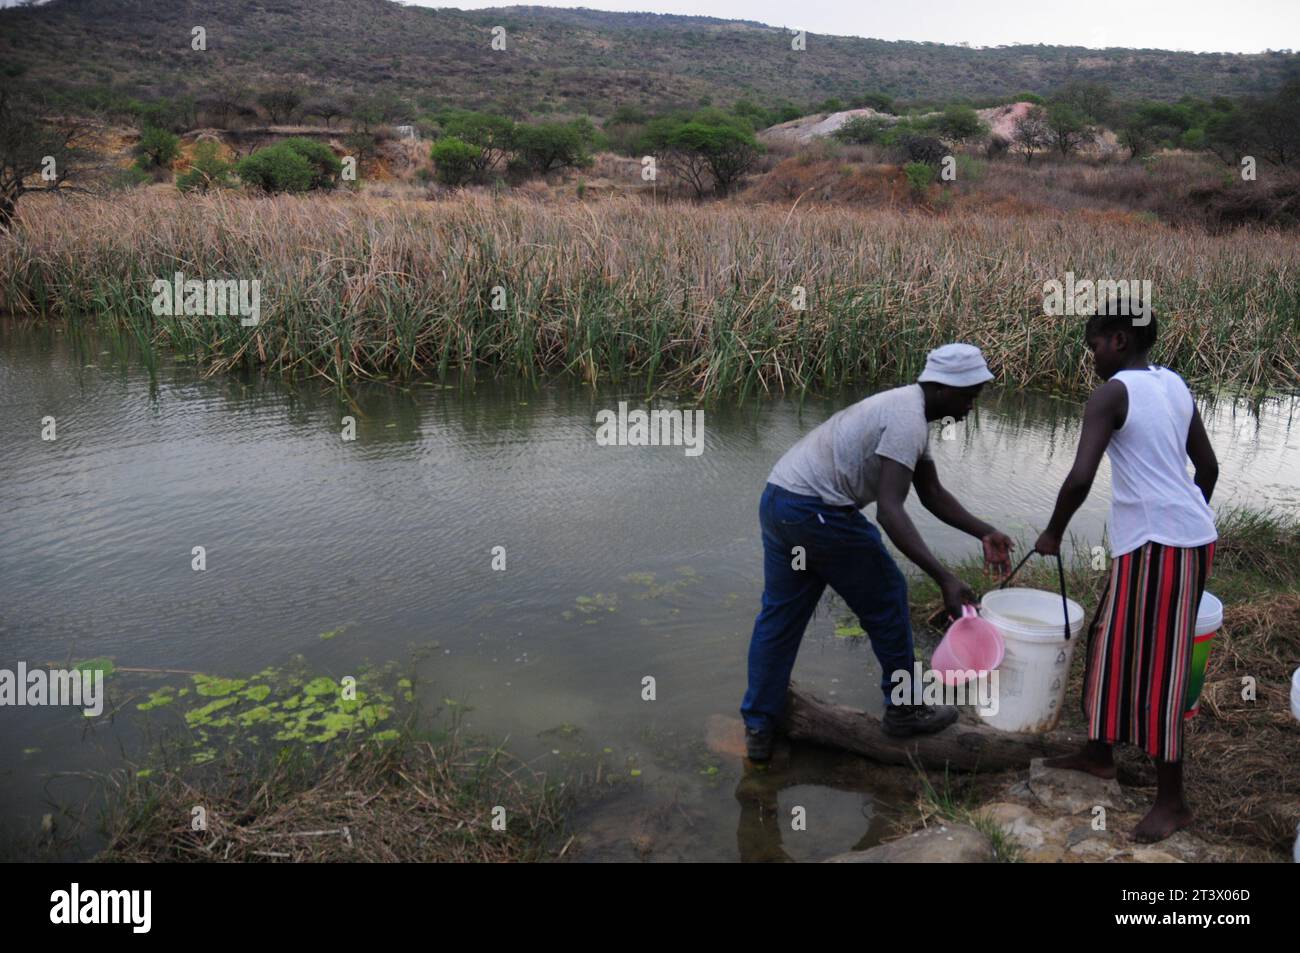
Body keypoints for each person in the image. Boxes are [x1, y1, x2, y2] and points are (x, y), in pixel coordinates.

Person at [740, 343, 1015, 762]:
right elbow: (890, 511)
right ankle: (904, 710)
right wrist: (945, 578)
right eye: (968, 396)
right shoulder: (907, 419)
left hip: (781, 500)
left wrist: (984, 531)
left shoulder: (907, 410)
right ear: (942, 388)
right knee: (888, 596)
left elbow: (932, 493)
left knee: (779, 618)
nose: (970, 407)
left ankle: (760, 726)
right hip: (816, 512)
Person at [1033, 300, 1218, 843]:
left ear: (1117, 340)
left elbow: (1080, 477)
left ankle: (1173, 802)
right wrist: (1189, 513)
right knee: (1110, 638)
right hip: (1160, 541)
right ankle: (1098, 752)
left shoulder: (1110, 394)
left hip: (1166, 546)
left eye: (1093, 346)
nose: (1091, 357)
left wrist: (1052, 532)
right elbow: (1206, 468)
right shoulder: (1174, 384)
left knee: (1161, 664)